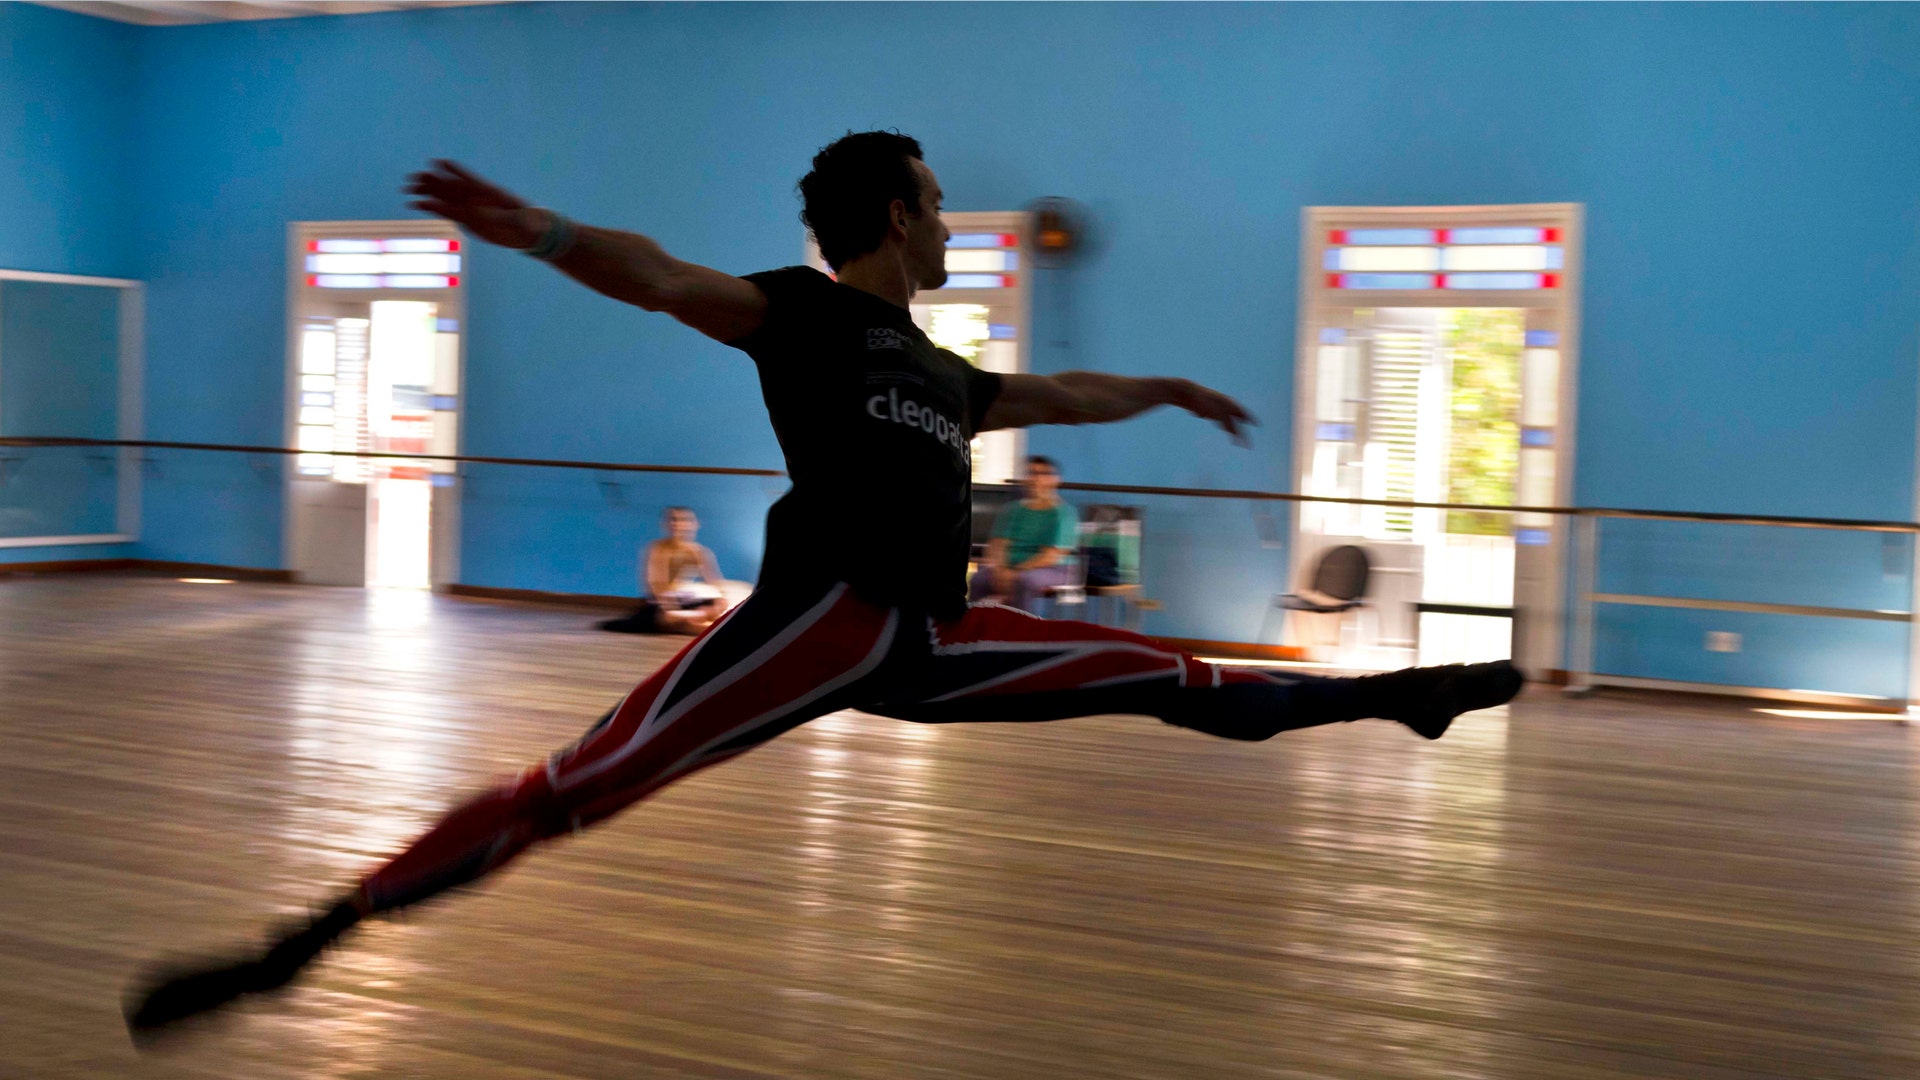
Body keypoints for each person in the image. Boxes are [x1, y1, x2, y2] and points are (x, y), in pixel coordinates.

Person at [126, 132, 1522, 1035]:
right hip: (820, 620)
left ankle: (1406, 698)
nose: (943, 217)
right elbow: (663, 278)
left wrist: (1157, 388)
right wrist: (539, 232)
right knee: (570, 794)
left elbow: (1062, 392)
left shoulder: (940, 369)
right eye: (930, 197)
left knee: (1174, 681)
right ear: (896, 216)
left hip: (927, 635)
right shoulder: (802, 318)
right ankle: (297, 946)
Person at [599, 507, 741, 634]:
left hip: (685, 602)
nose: (677, 524)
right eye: (673, 520)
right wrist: (671, 609)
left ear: (695, 524)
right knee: (667, 617)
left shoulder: (700, 552)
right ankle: (687, 621)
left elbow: (715, 581)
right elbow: (656, 585)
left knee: (715, 606)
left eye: (683, 520)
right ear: (666, 524)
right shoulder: (658, 548)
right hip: (662, 605)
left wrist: (721, 601)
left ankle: (689, 620)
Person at [973, 455, 1079, 612]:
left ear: (1055, 479)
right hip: (1009, 567)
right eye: (1032, 473)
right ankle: (973, 630)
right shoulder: (1012, 510)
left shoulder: (1064, 513)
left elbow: (1051, 556)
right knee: (978, 579)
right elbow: (997, 544)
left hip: (1054, 569)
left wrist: (1015, 572)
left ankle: (1020, 633)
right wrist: (999, 569)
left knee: (1023, 582)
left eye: (1043, 474)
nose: (1036, 479)